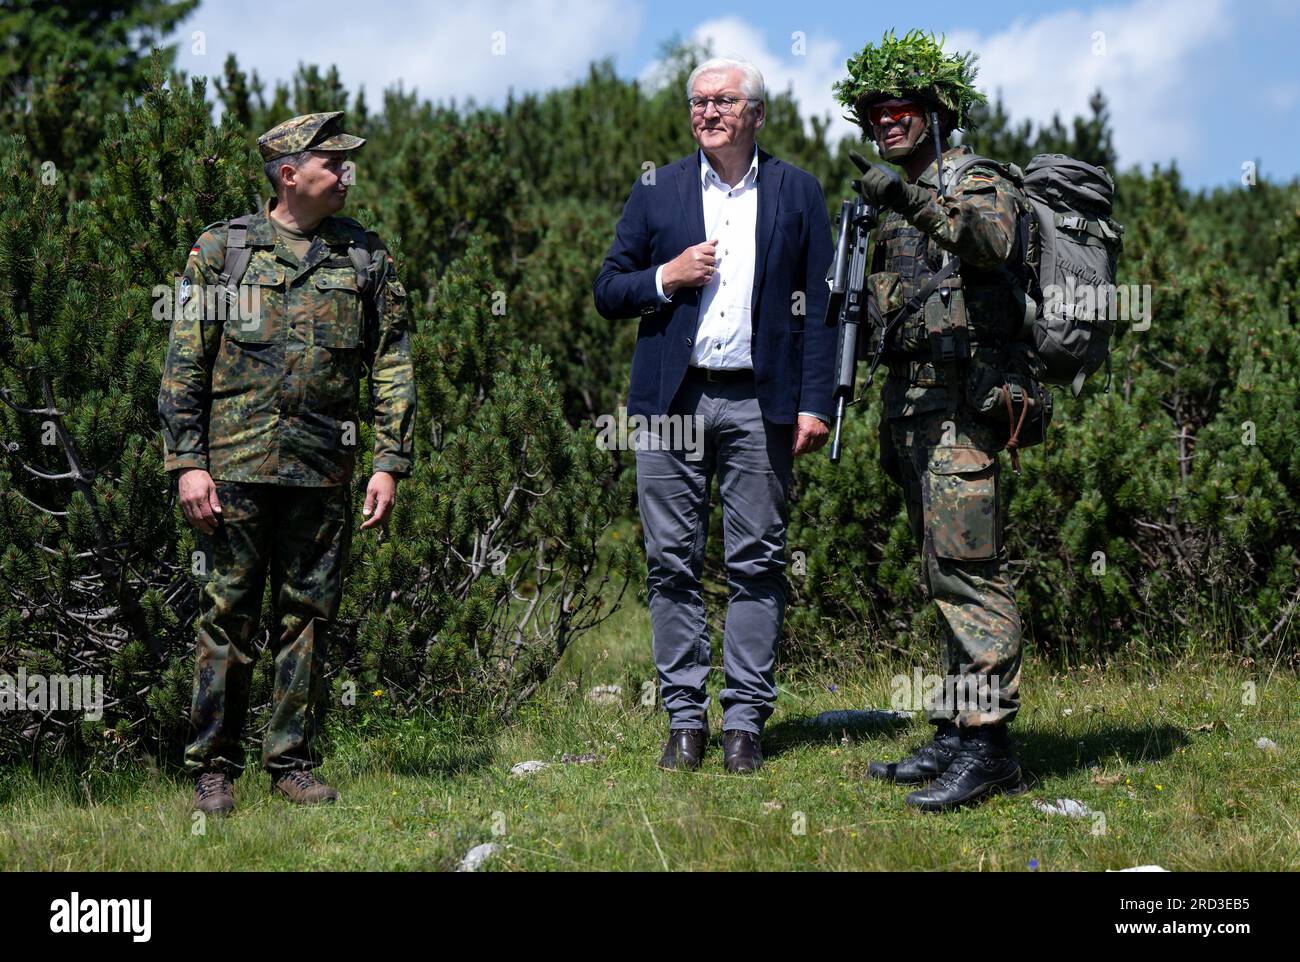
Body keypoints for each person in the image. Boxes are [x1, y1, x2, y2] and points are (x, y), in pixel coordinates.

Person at [158, 111, 416, 815]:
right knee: (226, 617)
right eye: (333, 162)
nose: (345, 174)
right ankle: (213, 768)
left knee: (307, 618)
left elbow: (391, 362)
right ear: (288, 172)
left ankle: (292, 763)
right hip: (233, 471)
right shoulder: (223, 251)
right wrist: (187, 462)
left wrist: (389, 460)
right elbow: (184, 361)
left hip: (322, 474)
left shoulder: (364, 256)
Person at [594, 58, 834, 774]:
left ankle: (746, 724)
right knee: (671, 563)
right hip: (671, 401)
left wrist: (816, 402)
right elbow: (609, 289)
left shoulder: (798, 191)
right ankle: (685, 721)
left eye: (723, 101)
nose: (708, 112)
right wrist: (666, 277)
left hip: (762, 403)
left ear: (755, 112)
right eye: (697, 102)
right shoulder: (658, 189)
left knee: (756, 561)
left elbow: (819, 309)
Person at [832, 31, 1032, 809]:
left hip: (964, 414)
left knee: (969, 573)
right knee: (940, 570)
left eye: (903, 108)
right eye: (877, 110)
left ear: (937, 111)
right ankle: (956, 731)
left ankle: (991, 750)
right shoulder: (893, 199)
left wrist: (906, 197)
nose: (888, 121)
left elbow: (991, 239)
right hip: (914, 414)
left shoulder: (976, 177)